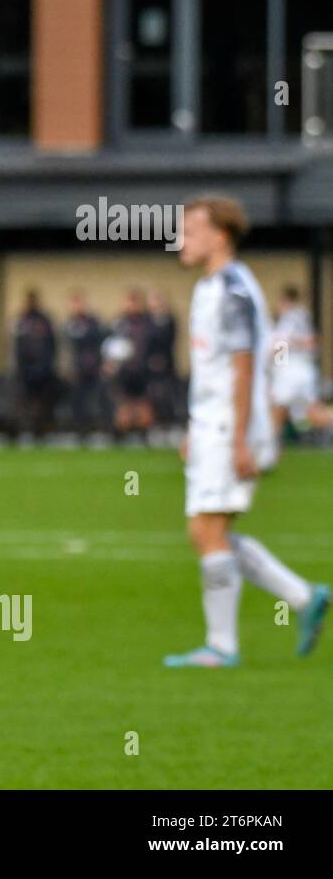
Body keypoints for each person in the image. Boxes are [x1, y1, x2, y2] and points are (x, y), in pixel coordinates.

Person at [165, 195, 328, 667]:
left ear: (219, 237)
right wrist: (196, 428)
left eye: (191, 230)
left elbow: (243, 367)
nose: (182, 239)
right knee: (210, 531)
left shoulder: (233, 290)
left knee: (206, 530)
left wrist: (237, 438)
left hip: (230, 427)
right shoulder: (213, 286)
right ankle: (304, 597)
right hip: (214, 424)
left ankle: (222, 646)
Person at [269, 284, 330, 446]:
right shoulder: (303, 316)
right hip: (305, 370)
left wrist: (275, 365)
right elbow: (312, 341)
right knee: (312, 409)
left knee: (277, 408)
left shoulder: (289, 318)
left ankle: (271, 446)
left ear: (285, 300)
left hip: (290, 371)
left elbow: (281, 345)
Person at [106, 288, 154, 443]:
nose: (131, 305)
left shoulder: (148, 323)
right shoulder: (119, 323)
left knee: (143, 405)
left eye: (134, 302)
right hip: (124, 373)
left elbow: (153, 346)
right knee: (123, 405)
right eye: (129, 301)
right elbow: (111, 346)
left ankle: (143, 435)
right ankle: (120, 436)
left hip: (142, 372)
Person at [12, 289, 57, 438]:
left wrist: (46, 366)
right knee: (24, 403)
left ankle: (41, 432)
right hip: (25, 372)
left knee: (42, 404)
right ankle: (23, 431)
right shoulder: (21, 320)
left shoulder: (45, 321)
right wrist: (21, 368)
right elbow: (17, 347)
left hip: (43, 371)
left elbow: (52, 345)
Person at [63, 290, 109, 436]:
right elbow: (67, 349)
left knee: (98, 399)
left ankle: (100, 429)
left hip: (94, 369)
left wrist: (101, 363)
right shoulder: (69, 324)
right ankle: (80, 431)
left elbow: (101, 344)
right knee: (78, 401)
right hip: (78, 370)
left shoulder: (93, 322)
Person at [146, 289, 180, 429]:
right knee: (153, 397)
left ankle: (169, 424)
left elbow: (170, 340)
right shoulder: (146, 320)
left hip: (166, 365)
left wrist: (162, 359)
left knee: (167, 396)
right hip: (149, 366)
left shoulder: (169, 319)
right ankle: (156, 424)